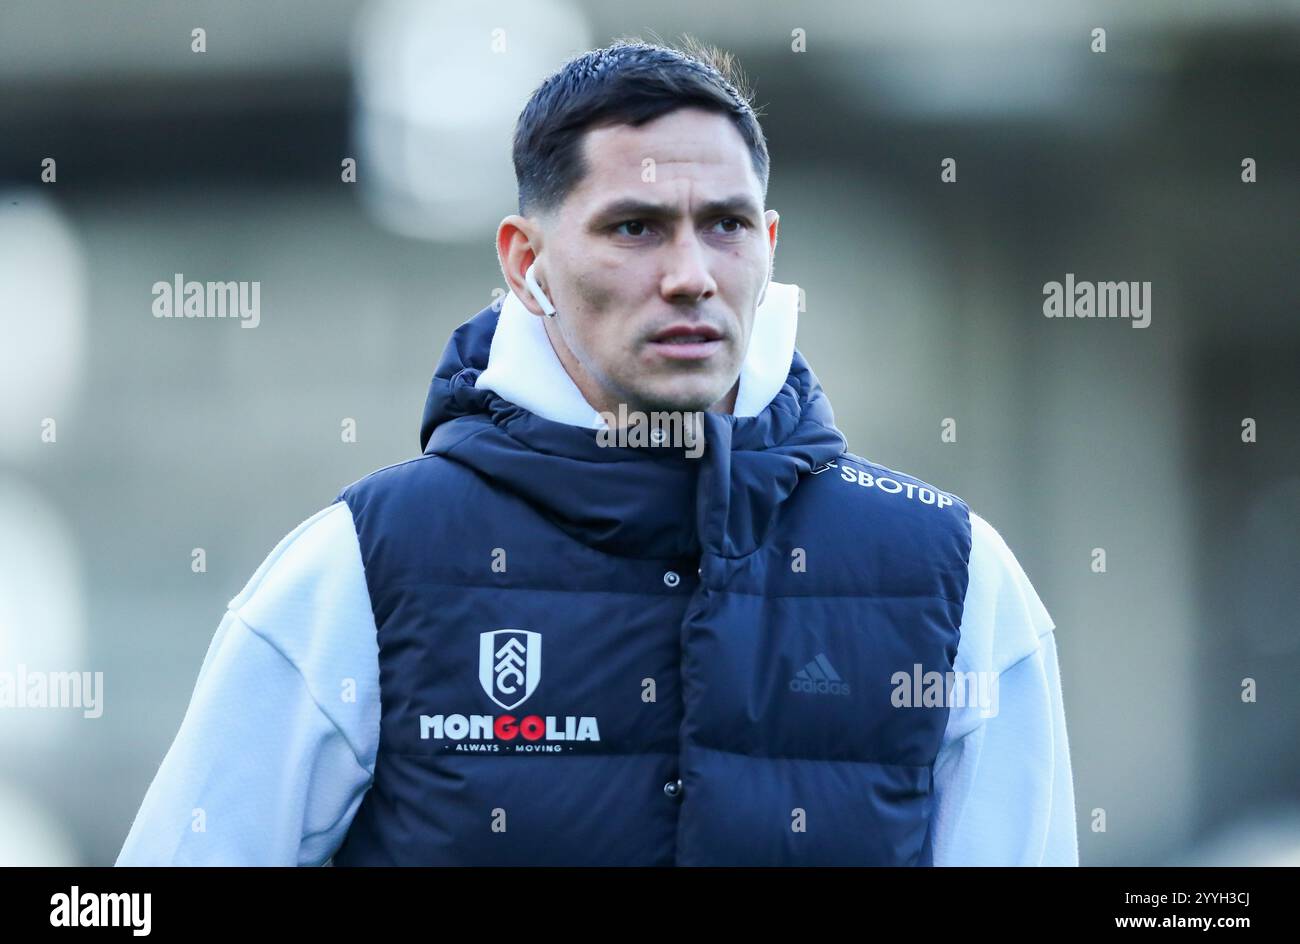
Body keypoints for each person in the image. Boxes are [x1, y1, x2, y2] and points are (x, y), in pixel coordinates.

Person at [117, 37, 1078, 866]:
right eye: (635, 228)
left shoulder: (955, 578)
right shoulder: (360, 570)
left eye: (727, 226)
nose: (692, 276)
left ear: (770, 243)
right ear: (525, 261)